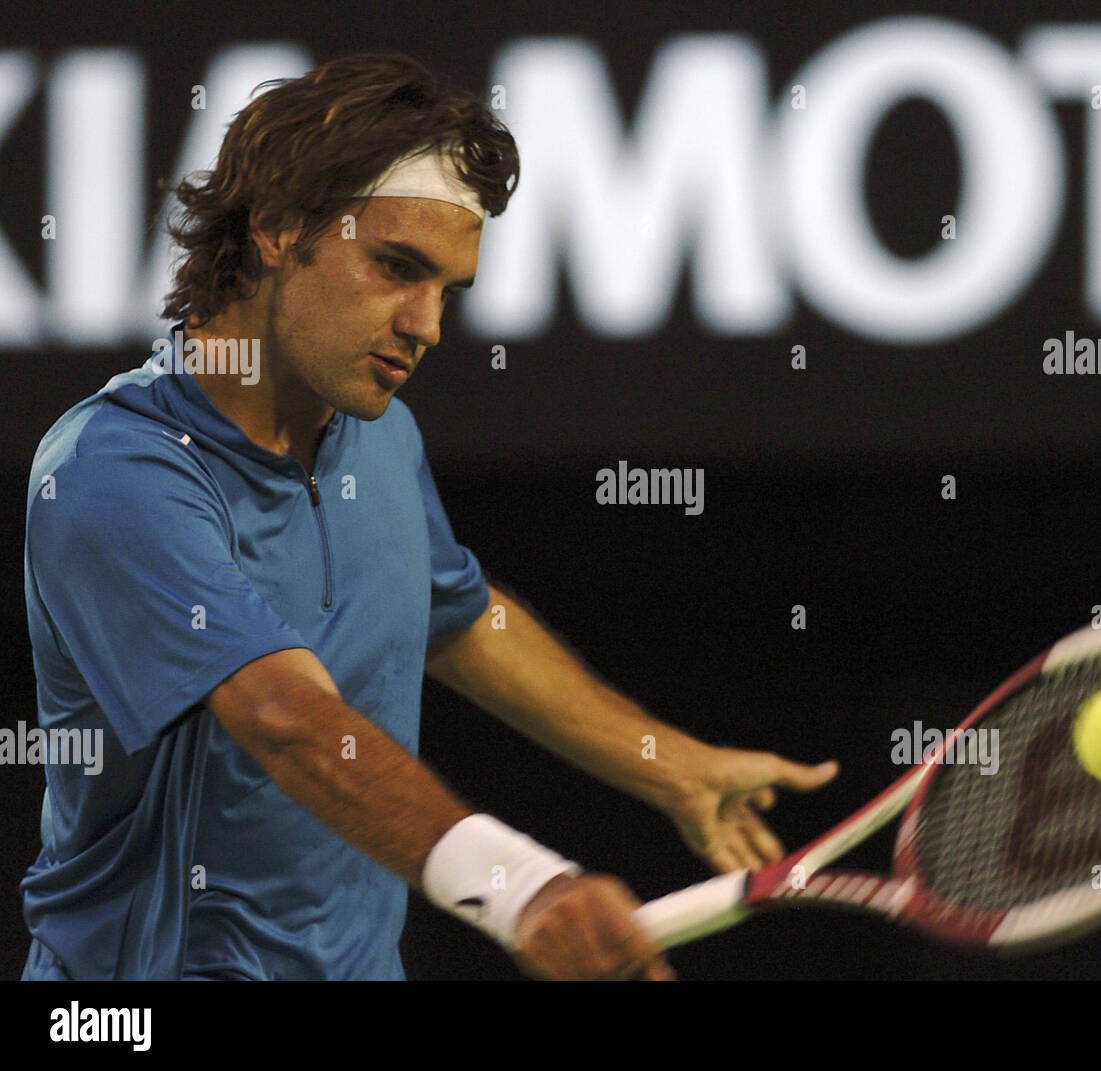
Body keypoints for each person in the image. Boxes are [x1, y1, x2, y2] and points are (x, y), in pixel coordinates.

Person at [20, 50, 837, 981]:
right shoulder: (111, 469)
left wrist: (670, 766)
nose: (428, 325)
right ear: (279, 228)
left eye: (447, 288)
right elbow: (284, 715)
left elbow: (456, 616)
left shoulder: (380, 437)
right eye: (396, 268)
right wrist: (520, 885)